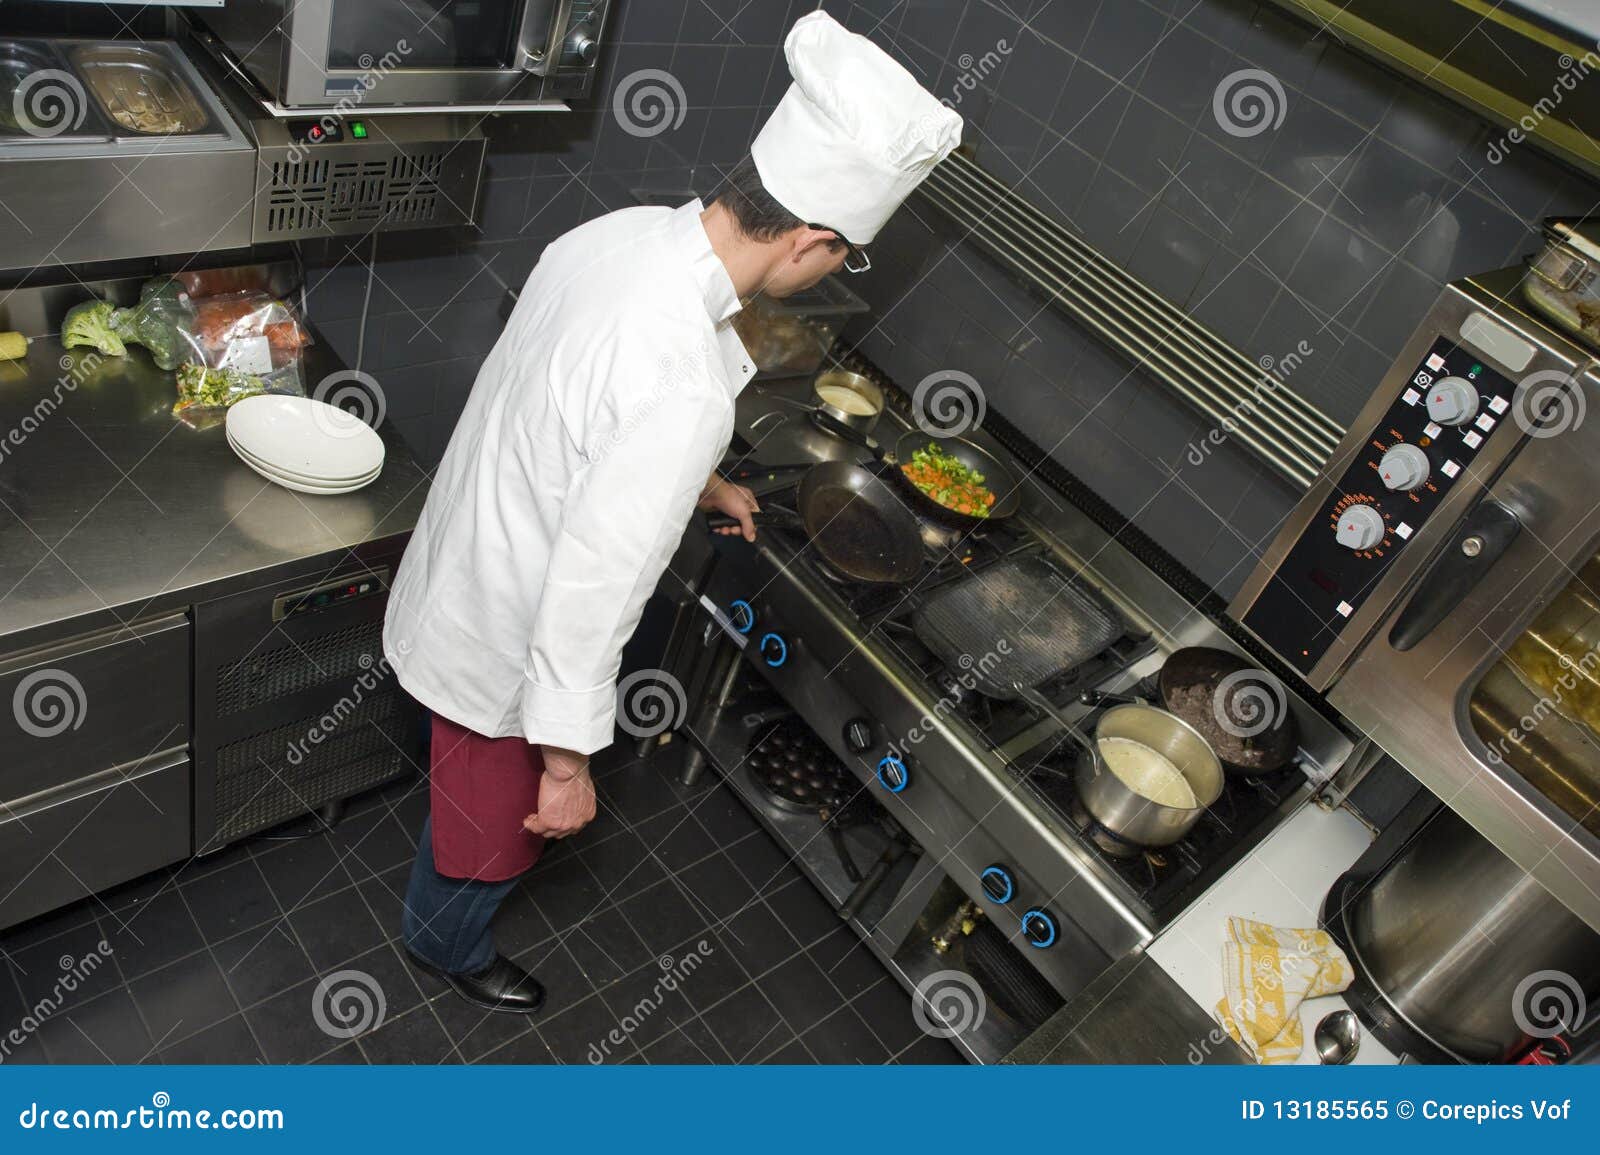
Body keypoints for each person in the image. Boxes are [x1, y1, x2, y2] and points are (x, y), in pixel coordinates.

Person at [382, 10, 962, 1014]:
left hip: (463, 557)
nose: (833, 274)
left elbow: (570, 402)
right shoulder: (683, 387)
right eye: (842, 259)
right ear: (815, 241)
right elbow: (592, 585)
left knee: (462, 794)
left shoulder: (626, 232)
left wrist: (698, 481)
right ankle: (443, 945)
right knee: (492, 830)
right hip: (509, 628)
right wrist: (566, 761)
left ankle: (444, 920)